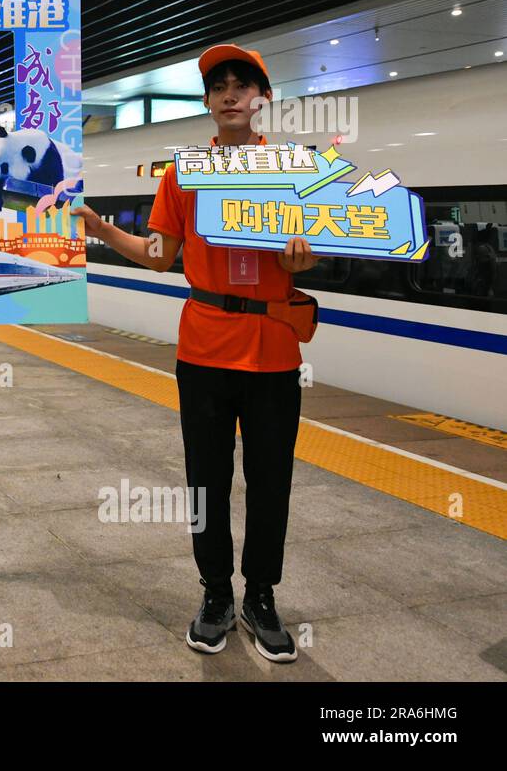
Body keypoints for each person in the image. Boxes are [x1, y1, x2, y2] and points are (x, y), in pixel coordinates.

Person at [75, 45, 319, 663]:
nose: (231, 94)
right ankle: (215, 594)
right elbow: (161, 255)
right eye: (220, 87)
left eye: (243, 85)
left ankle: (261, 595)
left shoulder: (294, 167)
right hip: (205, 347)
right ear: (208, 102)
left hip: (273, 351)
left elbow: (318, 246)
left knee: (271, 481)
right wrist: (104, 232)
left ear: (262, 98)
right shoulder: (181, 174)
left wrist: (304, 256)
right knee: (205, 480)